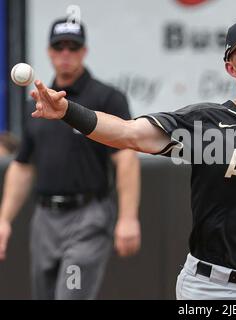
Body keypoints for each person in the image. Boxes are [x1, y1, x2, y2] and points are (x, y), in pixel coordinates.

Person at [27, 16, 236, 300]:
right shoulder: (207, 125)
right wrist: (68, 111)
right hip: (209, 287)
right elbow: (129, 133)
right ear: (231, 67)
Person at [0, 18, 141, 300]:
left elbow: (125, 158)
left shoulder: (106, 98)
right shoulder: (37, 104)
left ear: (83, 52)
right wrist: (3, 219)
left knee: (71, 295)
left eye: (72, 47)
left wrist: (128, 218)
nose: (66, 53)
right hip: (44, 220)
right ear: (49, 52)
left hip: (88, 216)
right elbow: (23, 165)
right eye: (59, 47)